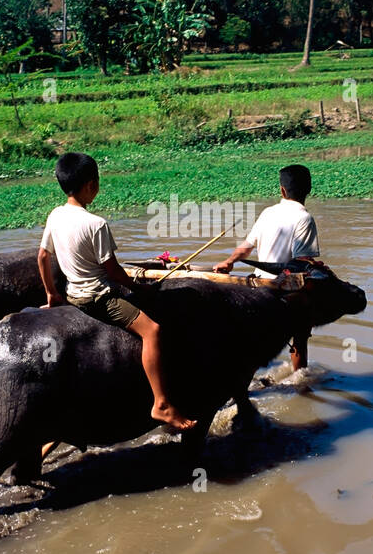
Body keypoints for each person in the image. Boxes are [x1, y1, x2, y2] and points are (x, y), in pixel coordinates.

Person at [38, 152, 196, 432]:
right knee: (153, 330)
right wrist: (139, 288)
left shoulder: (55, 215)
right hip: (99, 298)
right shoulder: (96, 224)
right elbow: (114, 273)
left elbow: (42, 257)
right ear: (90, 185)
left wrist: (52, 295)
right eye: (97, 182)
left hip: (72, 293)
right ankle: (160, 403)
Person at [214, 163, 320, 370]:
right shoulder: (304, 218)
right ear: (309, 189)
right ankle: (301, 384)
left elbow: (246, 247)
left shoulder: (268, 213)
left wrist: (229, 262)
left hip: (257, 288)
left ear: (282, 189)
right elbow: (302, 263)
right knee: (300, 334)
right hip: (284, 289)